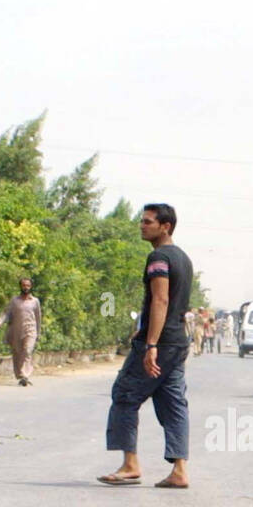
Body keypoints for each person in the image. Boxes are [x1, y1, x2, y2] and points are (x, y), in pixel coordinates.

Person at [99, 203, 192, 489]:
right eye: (142, 221)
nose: (142, 225)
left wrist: (150, 343)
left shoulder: (158, 258)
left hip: (160, 343)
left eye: (148, 222)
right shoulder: (183, 258)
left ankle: (130, 464)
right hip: (178, 342)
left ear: (165, 226)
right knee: (174, 403)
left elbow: (161, 300)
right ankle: (179, 470)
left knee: (125, 395)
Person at [0, 277, 42, 385]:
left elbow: (38, 318)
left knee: (27, 350)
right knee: (17, 353)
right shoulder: (14, 301)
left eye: (28, 285)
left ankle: (25, 375)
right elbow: (6, 313)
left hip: (30, 330)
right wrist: (0, 322)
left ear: (31, 287)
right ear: (20, 286)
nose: (26, 287)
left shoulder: (35, 301)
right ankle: (20, 375)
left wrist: (38, 332)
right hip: (16, 330)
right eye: (24, 285)